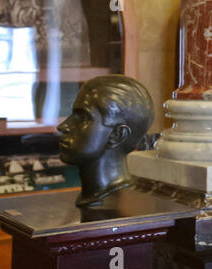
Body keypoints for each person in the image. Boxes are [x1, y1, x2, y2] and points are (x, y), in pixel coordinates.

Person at [57, 75, 154, 208]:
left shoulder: (122, 211)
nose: (63, 126)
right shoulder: (96, 200)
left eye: (83, 117)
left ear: (117, 135)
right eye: (73, 115)